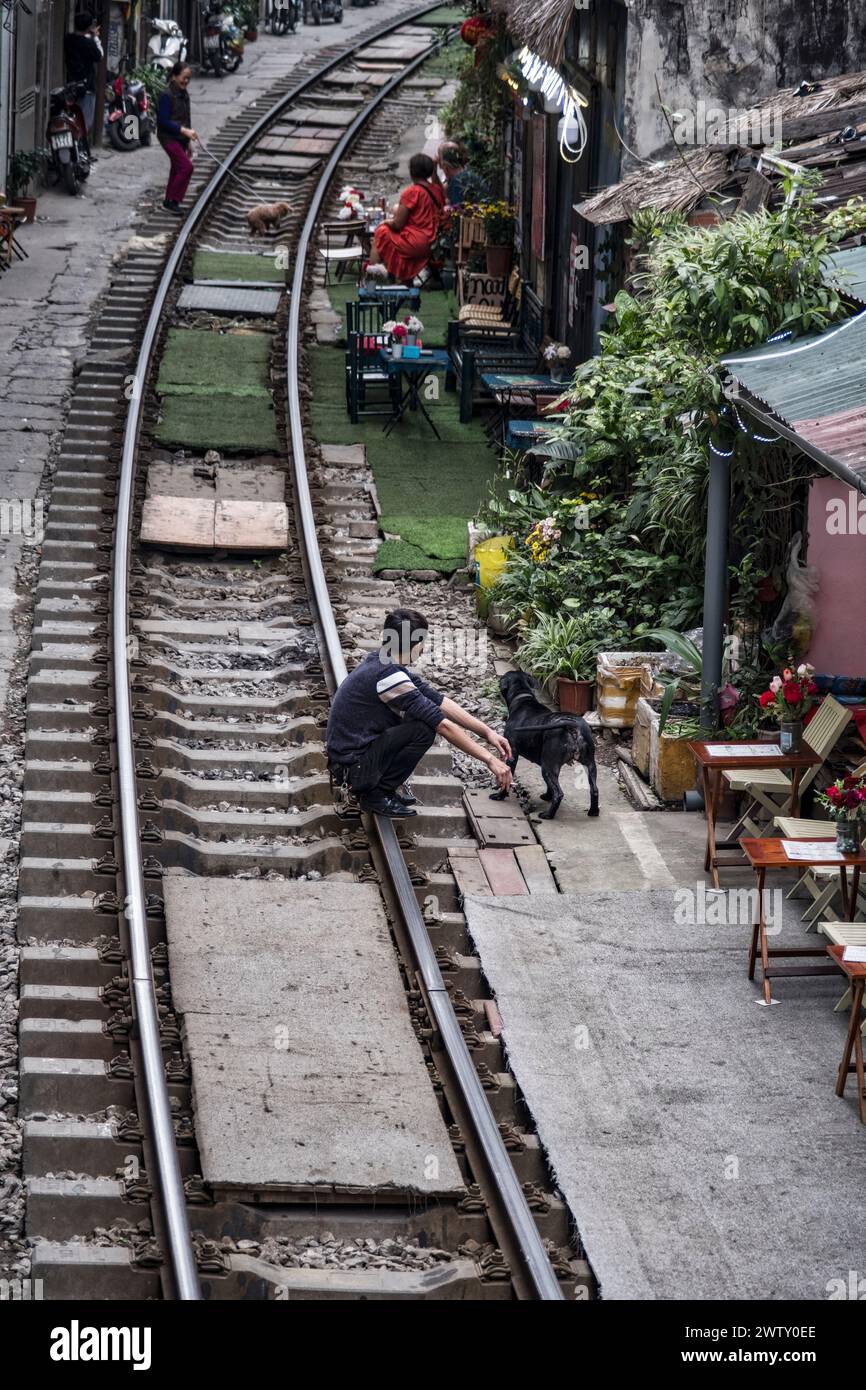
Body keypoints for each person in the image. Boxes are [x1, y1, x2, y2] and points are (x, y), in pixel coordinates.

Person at [326, 608, 512, 818]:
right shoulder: (389, 676)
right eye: (422, 641)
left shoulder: (383, 661)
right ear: (415, 645)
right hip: (353, 769)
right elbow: (443, 725)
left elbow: (439, 701)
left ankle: (380, 789)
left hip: (351, 762)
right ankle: (377, 794)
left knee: (419, 719)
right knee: (423, 729)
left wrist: (488, 733)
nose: (423, 648)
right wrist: (490, 760)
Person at [367, 153, 446, 286]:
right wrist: (434, 171)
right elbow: (438, 186)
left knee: (381, 231)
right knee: (386, 234)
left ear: (412, 171)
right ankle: (397, 277)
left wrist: (385, 221)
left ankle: (372, 278)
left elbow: (398, 224)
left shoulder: (412, 192)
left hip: (415, 242)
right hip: (432, 243)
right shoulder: (436, 190)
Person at [156, 62, 198, 214]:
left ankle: (170, 200)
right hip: (168, 137)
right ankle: (171, 201)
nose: (185, 81)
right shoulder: (166, 95)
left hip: (181, 138)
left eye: (188, 79)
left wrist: (188, 142)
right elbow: (163, 121)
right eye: (183, 78)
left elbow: (187, 118)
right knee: (186, 167)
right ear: (174, 76)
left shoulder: (184, 93)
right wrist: (184, 131)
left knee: (177, 168)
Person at [64, 13, 103, 143]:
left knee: (70, 118)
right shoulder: (89, 43)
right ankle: (79, 148)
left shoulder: (68, 39)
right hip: (86, 86)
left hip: (70, 85)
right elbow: (99, 56)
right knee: (84, 122)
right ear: (89, 27)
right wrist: (95, 38)